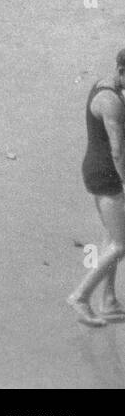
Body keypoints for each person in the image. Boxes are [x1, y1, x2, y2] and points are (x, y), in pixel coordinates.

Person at [68, 48, 125, 326]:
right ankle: (80, 296)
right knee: (122, 243)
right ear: (122, 72)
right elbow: (117, 150)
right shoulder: (111, 101)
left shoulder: (105, 86)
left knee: (111, 237)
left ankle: (109, 300)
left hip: (96, 169)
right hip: (107, 175)